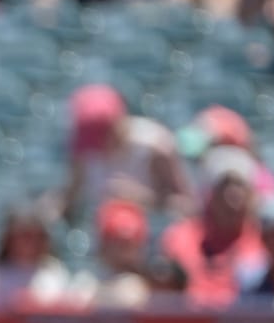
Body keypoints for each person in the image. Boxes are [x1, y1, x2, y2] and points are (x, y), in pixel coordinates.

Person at [62, 84, 191, 222]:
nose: (97, 148)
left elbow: (188, 207)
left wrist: (140, 197)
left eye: (100, 136)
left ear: (117, 128)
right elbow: (71, 195)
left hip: (151, 229)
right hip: (102, 229)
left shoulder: (155, 146)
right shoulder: (85, 151)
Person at [160, 145, 267, 308]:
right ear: (209, 194)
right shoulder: (179, 237)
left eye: (240, 186)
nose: (233, 196)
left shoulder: (265, 242)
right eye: (224, 185)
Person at [70, 198, 156, 308]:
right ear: (104, 241)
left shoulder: (138, 284)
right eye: (117, 242)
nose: (124, 249)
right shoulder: (85, 280)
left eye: (129, 244)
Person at [0, 203, 71, 309]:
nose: (28, 242)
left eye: (34, 236)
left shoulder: (54, 271)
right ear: (8, 239)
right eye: (23, 235)